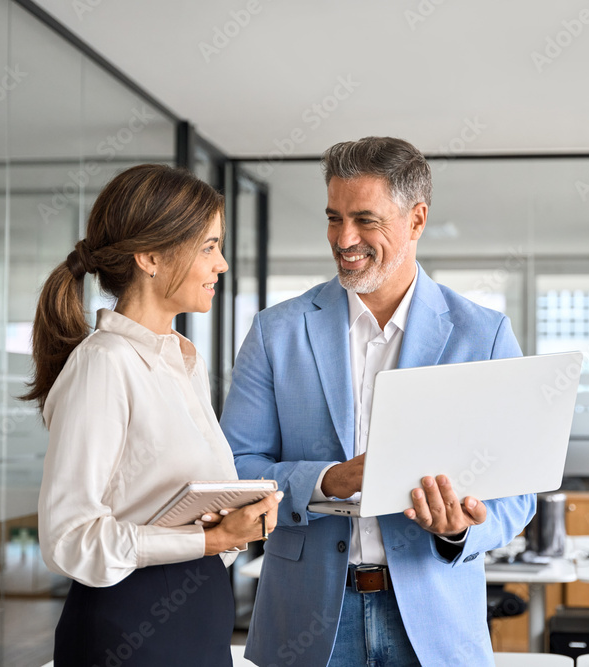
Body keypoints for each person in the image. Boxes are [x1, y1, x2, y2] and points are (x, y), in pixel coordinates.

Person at [221, 137, 536, 666]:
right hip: (307, 617)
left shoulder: (483, 335)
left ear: (416, 219)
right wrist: (327, 480)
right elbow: (235, 469)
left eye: (365, 220)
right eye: (333, 218)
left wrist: (459, 529)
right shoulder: (277, 331)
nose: (344, 239)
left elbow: (517, 493)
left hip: (433, 620)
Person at [25, 164, 281, 666]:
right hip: (129, 628)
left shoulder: (181, 359)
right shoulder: (104, 364)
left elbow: (180, 505)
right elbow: (68, 540)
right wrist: (207, 539)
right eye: (208, 247)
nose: (222, 264)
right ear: (150, 258)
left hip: (196, 612)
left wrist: (233, 525)